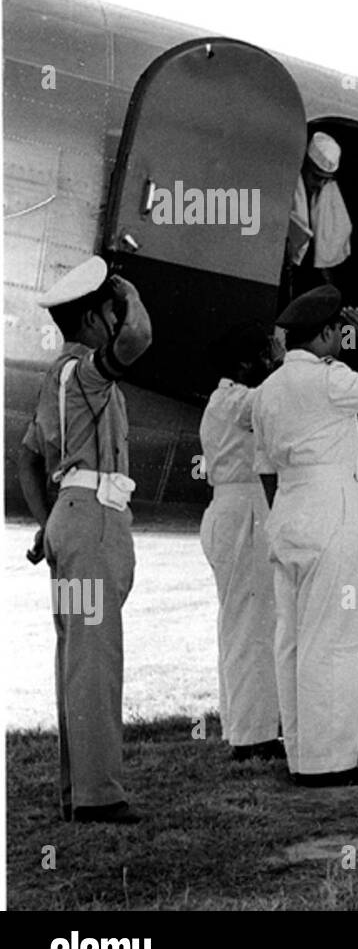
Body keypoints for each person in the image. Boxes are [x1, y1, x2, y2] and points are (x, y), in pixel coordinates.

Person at [252, 286, 358, 786]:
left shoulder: (266, 392)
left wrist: (292, 506)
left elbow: (265, 472)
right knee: (335, 638)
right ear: (323, 335)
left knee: (293, 641)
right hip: (329, 510)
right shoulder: (331, 379)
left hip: (287, 511)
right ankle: (329, 764)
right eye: (335, 333)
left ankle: (302, 754)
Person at [16, 257, 152, 824]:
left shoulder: (59, 378)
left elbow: (26, 458)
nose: (119, 321)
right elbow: (141, 336)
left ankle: (81, 790)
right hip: (94, 519)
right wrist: (128, 288)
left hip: (73, 518)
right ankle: (99, 796)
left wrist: (48, 524)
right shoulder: (88, 373)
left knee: (78, 657)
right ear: (95, 318)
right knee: (95, 657)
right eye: (111, 312)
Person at [199, 322, 284, 762]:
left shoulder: (223, 399)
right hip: (245, 510)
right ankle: (253, 736)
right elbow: (279, 399)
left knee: (238, 622)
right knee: (252, 625)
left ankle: (243, 726)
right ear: (247, 362)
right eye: (266, 356)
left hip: (230, 510)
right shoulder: (236, 400)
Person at [286, 131, 352, 293]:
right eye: (316, 177)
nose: (321, 184)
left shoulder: (328, 194)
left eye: (326, 179)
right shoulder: (289, 188)